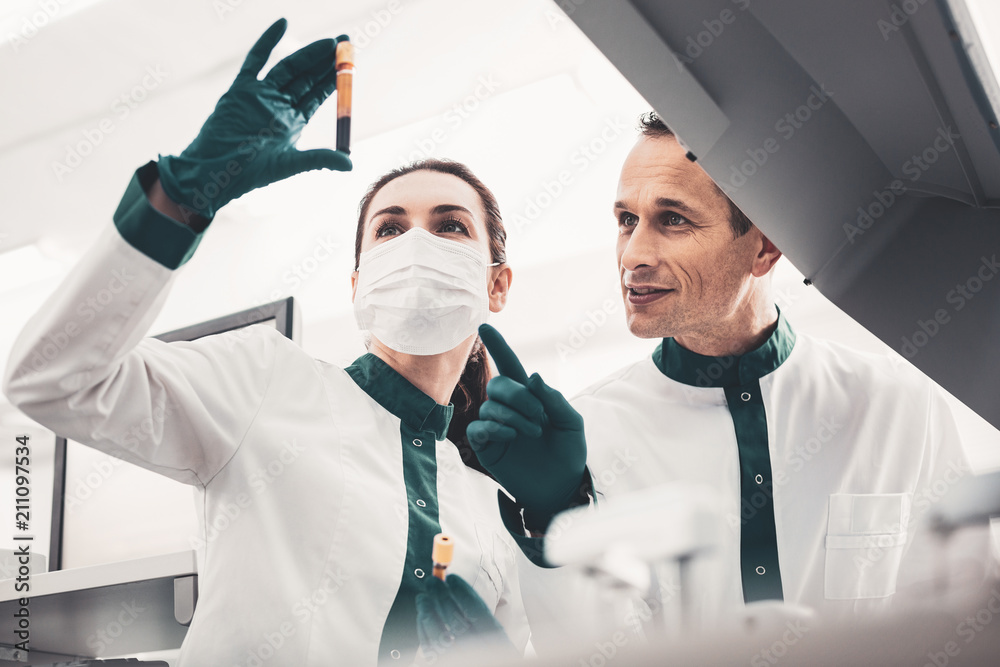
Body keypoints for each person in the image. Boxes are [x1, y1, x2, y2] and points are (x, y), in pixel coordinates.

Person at [2, 19, 588, 666]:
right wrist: (182, 194)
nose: (416, 243)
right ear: (360, 283)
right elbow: (50, 381)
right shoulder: (264, 379)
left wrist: (557, 519)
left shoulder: (482, 505)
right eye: (390, 229)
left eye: (450, 226)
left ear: (497, 285)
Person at [470, 111, 992, 640]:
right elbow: (589, 651)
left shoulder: (898, 404)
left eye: (673, 219)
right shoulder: (585, 436)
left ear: (764, 247)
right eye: (627, 219)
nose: (633, 254)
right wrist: (555, 514)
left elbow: (963, 621)